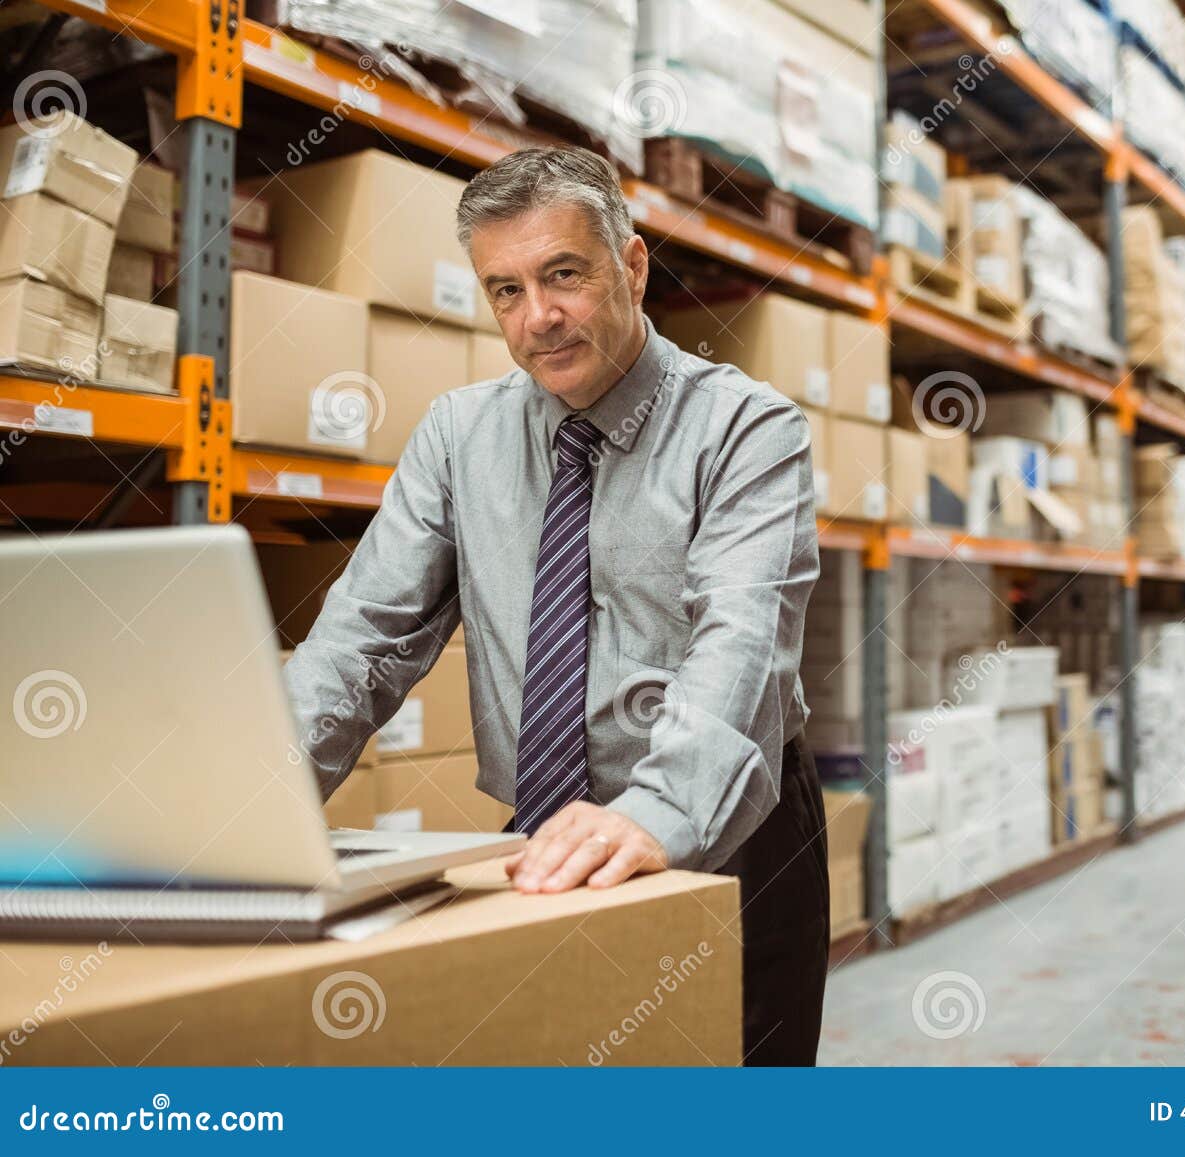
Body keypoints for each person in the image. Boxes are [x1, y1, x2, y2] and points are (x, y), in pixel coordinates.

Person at [282, 146, 829, 1064]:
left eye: (563, 274)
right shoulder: (459, 438)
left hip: (729, 819)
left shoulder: (746, 428)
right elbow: (362, 639)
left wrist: (653, 815)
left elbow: (742, 641)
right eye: (505, 290)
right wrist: (261, 802)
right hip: (545, 836)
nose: (538, 317)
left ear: (633, 264)